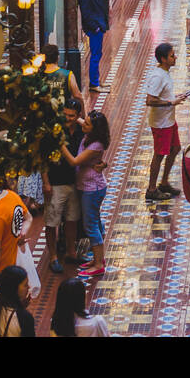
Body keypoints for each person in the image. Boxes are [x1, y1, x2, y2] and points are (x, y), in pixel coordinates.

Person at [144, 43, 190, 202]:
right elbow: (150, 101)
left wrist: (174, 97)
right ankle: (151, 189)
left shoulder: (164, 72)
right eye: (172, 55)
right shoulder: (158, 76)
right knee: (159, 155)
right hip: (161, 123)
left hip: (169, 120)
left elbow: (162, 96)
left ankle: (164, 182)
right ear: (163, 59)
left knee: (175, 148)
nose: (175, 57)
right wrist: (171, 103)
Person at [43, 98, 84, 273]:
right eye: (65, 114)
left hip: (74, 182)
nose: (68, 118)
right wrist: (45, 182)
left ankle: (70, 252)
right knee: (52, 221)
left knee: (71, 219)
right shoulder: (54, 131)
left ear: (78, 116)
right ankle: (52, 256)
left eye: (72, 116)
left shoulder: (82, 130)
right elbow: (43, 157)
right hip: (55, 181)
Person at [70, 109, 111, 277]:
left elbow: (74, 161)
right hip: (86, 186)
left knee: (91, 225)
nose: (83, 124)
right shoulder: (90, 134)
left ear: (94, 129)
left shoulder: (96, 145)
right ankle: (97, 258)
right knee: (94, 221)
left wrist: (59, 145)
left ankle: (99, 264)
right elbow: (79, 120)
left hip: (92, 188)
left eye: (87, 123)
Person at [78, 0, 109, 92]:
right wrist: (95, 27)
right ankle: (94, 83)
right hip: (94, 28)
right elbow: (86, 12)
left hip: (97, 26)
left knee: (98, 54)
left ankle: (97, 80)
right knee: (95, 55)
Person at [0, 264, 35, 337]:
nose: (28, 287)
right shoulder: (25, 318)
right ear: (14, 288)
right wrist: (22, 310)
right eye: (25, 285)